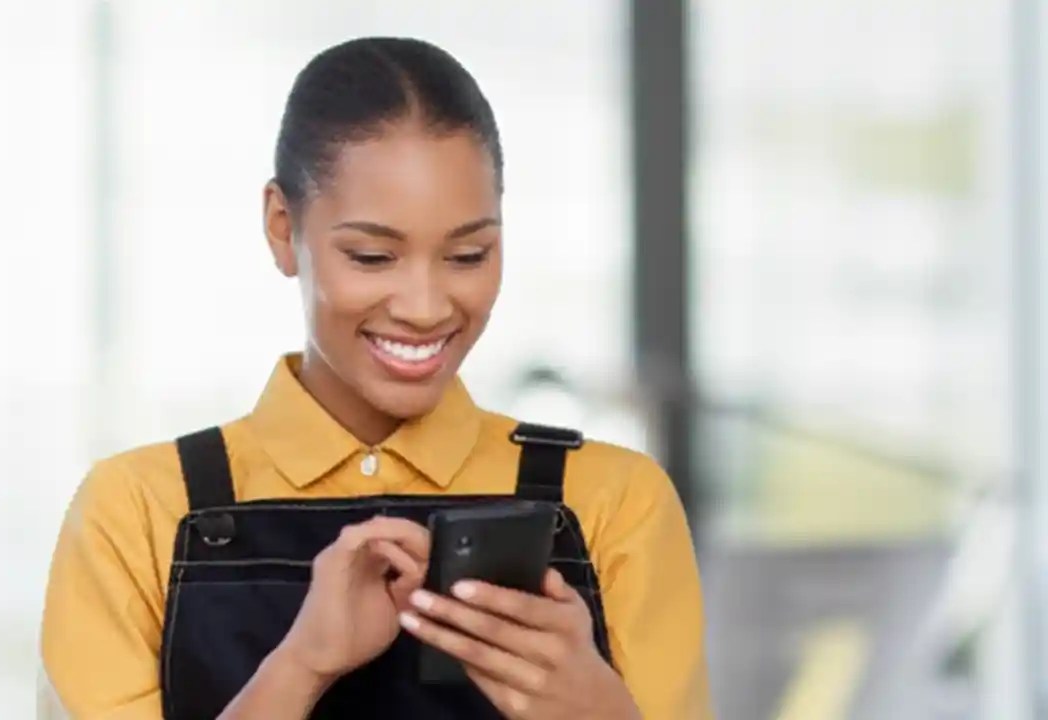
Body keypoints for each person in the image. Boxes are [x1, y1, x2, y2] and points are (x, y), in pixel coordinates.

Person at [40, 36, 710, 719]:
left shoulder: (615, 504)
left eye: (468, 253)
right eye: (372, 256)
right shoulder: (137, 514)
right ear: (282, 227)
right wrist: (300, 666)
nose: (425, 308)